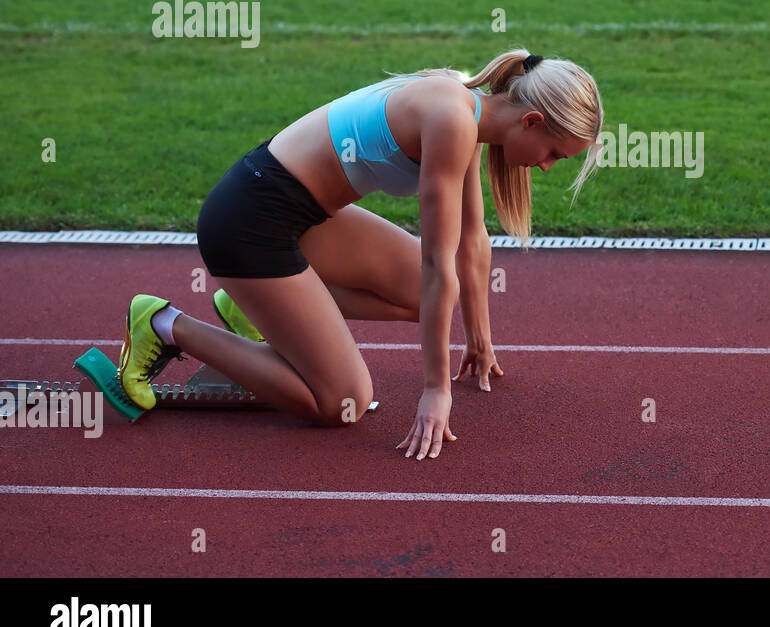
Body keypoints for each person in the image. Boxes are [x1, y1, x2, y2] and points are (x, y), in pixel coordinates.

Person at [114, 49, 603, 460]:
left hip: (300, 216)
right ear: (532, 120)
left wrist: (479, 338)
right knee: (342, 402)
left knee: (424, 295)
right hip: (248, 224)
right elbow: (438, 264)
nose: (545, 167)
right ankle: (163, 324)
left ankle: (255, 309)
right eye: (554, 154)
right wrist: (436, 390)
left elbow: (472, 240)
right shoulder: (452, 119)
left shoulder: (471, 109)